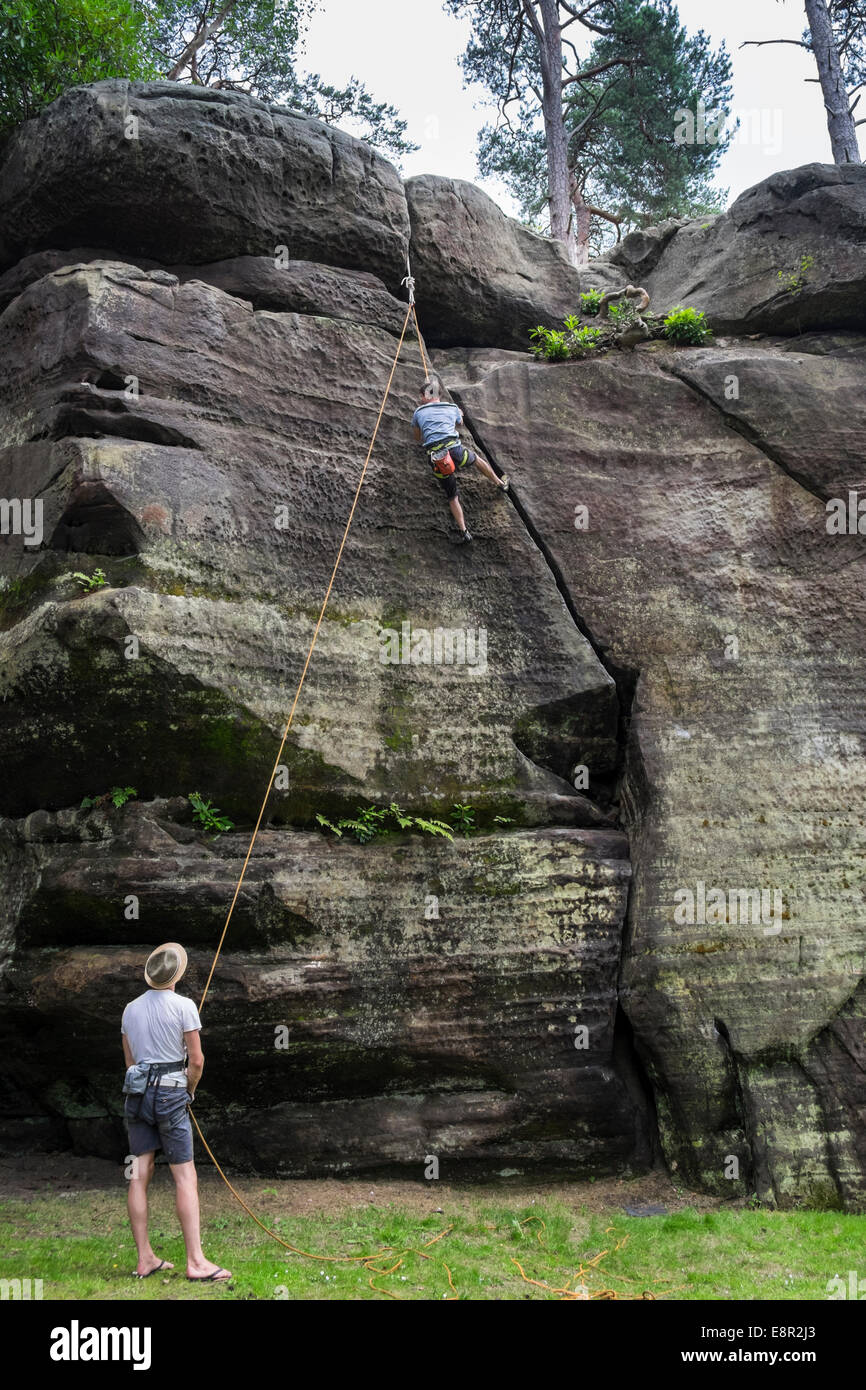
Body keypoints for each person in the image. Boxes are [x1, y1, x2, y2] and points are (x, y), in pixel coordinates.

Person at [121, 941, 231, 1282]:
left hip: (137, 1095)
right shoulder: (184, 1006)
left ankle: (145, 1259)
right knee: (185, 1176)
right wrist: (190, 1090)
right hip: (171, 1095)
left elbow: (130, 1063)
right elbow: (196, 1061)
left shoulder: (129, 1009)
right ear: (176, 976)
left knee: (139, 1173)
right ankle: (196, 1263)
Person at [411, 377, 508, 543]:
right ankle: (500, 483)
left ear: (424, 396)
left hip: (437, 459)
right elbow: (460, 424)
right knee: (477, 460)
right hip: (456, 451)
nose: (420, 399)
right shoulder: (452, 407)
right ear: (439, 394)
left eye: (421, 396)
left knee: (452, 496)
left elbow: (417, 438)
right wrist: (458, 414)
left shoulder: (418, 413)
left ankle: (464, 531)